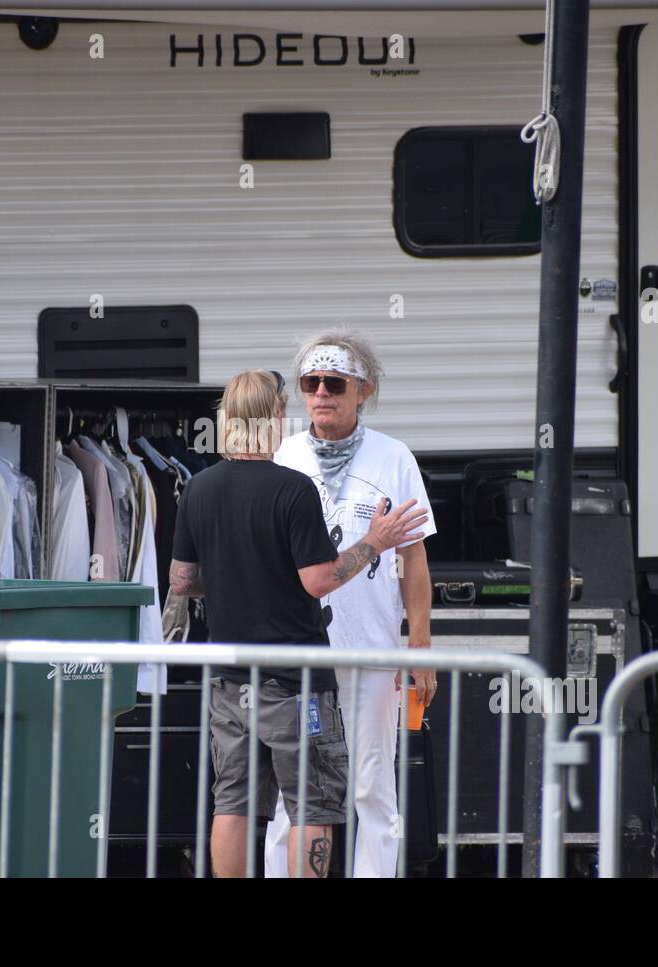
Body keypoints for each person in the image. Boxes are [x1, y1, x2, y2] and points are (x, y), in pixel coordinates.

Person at [169, 369, 427, 878]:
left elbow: (182, 580)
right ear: (274, 418)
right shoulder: (292, 490)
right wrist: (374, 540)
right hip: (297, 681)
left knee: (234, 801)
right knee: (312, 802)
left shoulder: (198, 488)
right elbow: (319, 580)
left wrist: (232, 581)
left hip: (229, 679)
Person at [263, 330, 437, 878]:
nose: (321, 393)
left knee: (372, 787)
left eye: (334, 382)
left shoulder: (394, 456)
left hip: (372, 647)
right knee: (290, 793)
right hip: (299, 650)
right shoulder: (285, 453)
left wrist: (420, 645)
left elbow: (415, 559)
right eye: (310, 382)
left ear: (363, 390)